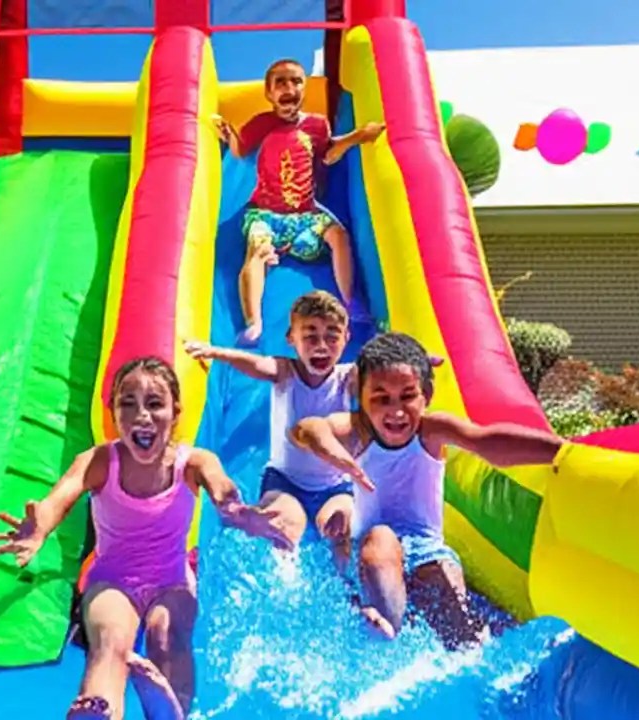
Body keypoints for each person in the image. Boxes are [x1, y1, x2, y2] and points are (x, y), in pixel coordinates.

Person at [0, 356, 287, 720]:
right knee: (111, 641)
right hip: (112, 580)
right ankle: (99, 708)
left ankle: (171, 712)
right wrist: (39, 527)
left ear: (175, 412)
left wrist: (241, 514)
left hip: (172, 579)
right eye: (127, 403)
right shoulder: (101, 460)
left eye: (154, 403)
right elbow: (63, 495)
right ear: (113, 413)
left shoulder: (193, 462)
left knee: (166, 632)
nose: (141, 415)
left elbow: (224, 492)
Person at [290, 332, 564, 648]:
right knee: (381, 541)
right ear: (360, 400)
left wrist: (559, 452)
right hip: (373, 547)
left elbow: (486, 442)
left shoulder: (431, 432)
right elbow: (307, 428)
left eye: (407, 396)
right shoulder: (357, 431)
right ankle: (384, 622)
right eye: (381, 398)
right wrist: (332, 451)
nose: (395, 411)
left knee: (460, 629)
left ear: (427, 395)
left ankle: (460, 639)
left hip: (427, 548)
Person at [184, 290, 359, 573]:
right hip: (285, 482)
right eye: (310, 335)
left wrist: (415, 361)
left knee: (344, 527)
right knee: (283, 527)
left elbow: (379, 369)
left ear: (346, 339)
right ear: (291, 338)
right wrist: (217, 352)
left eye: (332, 335)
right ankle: (286, 588)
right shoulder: (285, 371)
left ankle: (348, 587)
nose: (321, 345)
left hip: (335, 487)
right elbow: (255, 364)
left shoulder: (348, 378)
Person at [213, 58, 385, 345]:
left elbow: (329, 153)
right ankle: (254, 322)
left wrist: (358, 136)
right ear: (269, 94)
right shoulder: (262, 124)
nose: (289, 87)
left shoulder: (317, 125)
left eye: (296, 81)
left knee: (339, 237)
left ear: (304, 88)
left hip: (306, 213)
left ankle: (350, 300)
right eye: (280, 82)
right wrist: (228, 135)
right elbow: (241, 152)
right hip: (265, 213)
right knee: (256, 250)